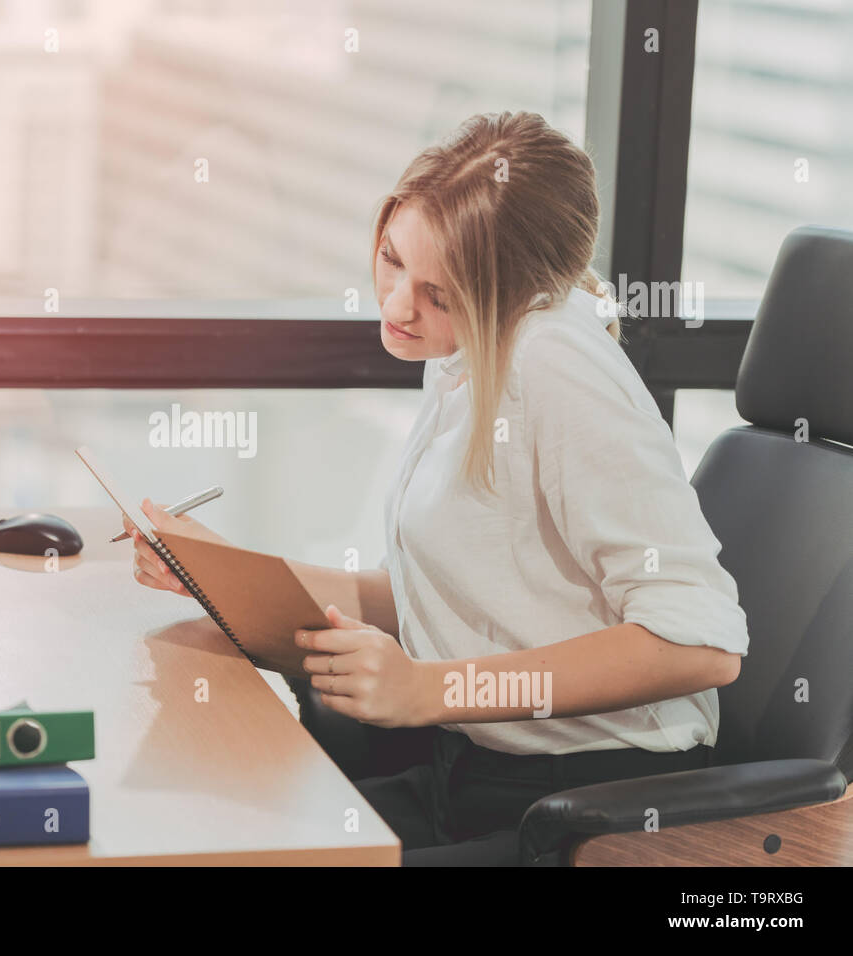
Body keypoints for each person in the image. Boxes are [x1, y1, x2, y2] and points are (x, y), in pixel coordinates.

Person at [124, 111, 748, 858]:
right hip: (466, 773)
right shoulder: (465, 354)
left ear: (510, 295)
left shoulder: (556, 369)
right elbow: (434, 595)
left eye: (439, 294)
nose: (395, 305)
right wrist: (228, 578)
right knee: (221, 822)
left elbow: (699, 645)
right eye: (392, 260)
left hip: (586, 807)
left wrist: (431, 690)